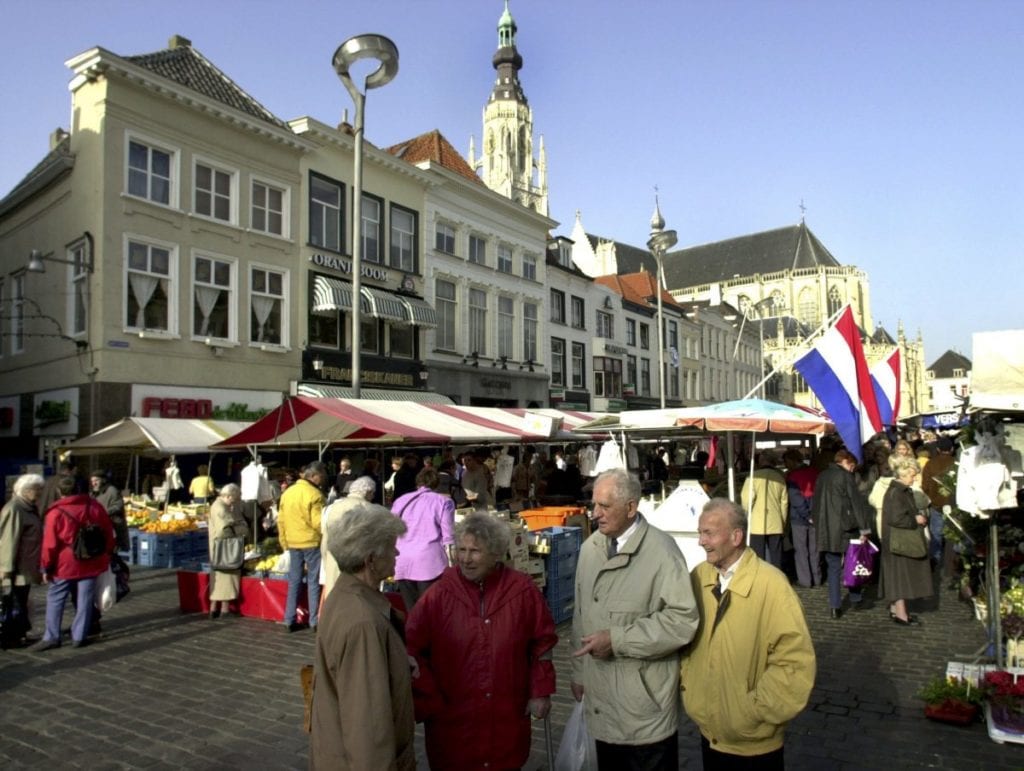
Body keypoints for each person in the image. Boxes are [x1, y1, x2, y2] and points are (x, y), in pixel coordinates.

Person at [406, 512, 557, 770]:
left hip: (506, 714)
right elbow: (411, 648)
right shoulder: (439, 594)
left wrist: (540, 691)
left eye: (475, 551)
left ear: (496, 553)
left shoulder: (522, 590)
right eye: (461, 549)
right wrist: (431, 699)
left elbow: (542, 644)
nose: (465, 559)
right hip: (453, 720)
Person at [571, 468, 699, 768]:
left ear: (631, 507)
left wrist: (617, 640)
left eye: (604, 506)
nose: (595, 513)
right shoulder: (590, 548)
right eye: (594, 504)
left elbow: (682, 621)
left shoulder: (662, 551)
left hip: (643, 709)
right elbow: (580, 614)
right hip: (602, 703)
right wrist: (578, 672)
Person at [682, 498, 816, 769]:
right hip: (709, 733)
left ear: (736, 536)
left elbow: (795, 664)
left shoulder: (773, 586)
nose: (700, 541)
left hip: (753, 744)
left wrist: (753, 711)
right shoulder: (698, 576)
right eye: (700, 533)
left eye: (709, 533)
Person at [310, 505, 414, 770]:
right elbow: (368, 725)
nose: (397, 552)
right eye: (392, 547)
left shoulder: (345, 594)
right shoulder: (363, 621)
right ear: (371, 559)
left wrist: (398, 662)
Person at [32, 475, 115, 650]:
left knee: (56, 598)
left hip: (65, 562)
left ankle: (52, 636)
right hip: (91, 560)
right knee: (85, 599)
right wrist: (106, 554)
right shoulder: (95, 506)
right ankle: (80, 636)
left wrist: (46, 566)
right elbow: (108, 532)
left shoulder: (55, 512)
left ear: (59, 491)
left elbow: (50, 544)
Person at [813, 449, 874, 619]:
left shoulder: (822, 475)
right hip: (846, 528)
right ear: (847, 462)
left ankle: (835, 606)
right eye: (852, 466)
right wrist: (865, 529)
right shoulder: (845, 477)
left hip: (826, 528)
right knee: (852, 563)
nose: (853, 470)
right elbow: (856, 504)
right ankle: (856, 598)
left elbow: (816, 502)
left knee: (833, 567)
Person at [391, 467, 456, 612]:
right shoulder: (444, 502)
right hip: (430, 563)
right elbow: (448, 535)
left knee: (412, 612)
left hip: (402, 560)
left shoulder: (400, 501)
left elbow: (391, 530)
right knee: (432, 612)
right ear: (436, 483)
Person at [880, 456, 933, 625]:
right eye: (912, 475)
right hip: (899, 540)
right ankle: (901, 614)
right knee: (900, 577)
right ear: (903, 475)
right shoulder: (898, 492)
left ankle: (896, 610)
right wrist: (915, 519)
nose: (915, 478)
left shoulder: (899, 490)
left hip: (896, 540)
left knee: (897, 576)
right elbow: (896, 518)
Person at [278, 461, 326, 632]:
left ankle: (289, 619)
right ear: (313, 476)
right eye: (321, 475)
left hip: (292, 542)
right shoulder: (314, 494)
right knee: (313, 581)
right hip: (311, 542)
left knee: (294, 581)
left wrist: (284, 541)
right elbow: (318, 522)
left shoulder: (288, 492)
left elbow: (281, 520)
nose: (323, 479)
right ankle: (314, 621)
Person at [0, 474, 45, 647]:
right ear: (26, 491)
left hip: (26, 565)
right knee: (14, 602)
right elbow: (9, 540)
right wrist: (6, 568)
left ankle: (20, 634)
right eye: (37, 489)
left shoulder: (28, 507)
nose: (41, 493)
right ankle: (11, 637)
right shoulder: (15, 509)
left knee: (21, 600)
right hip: (17, 567)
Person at [320, 475, 376, 597]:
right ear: (368, 492)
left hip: (333, 561)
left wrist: (325, 562)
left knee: (334, 601)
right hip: (355, 567)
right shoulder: (369, 510)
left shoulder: (331, 508)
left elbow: (324, 540)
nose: (373, 497)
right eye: (372, 494)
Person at [740, 451, 789, 569]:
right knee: (776, 555)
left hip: (757, 523)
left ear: (760, 461)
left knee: (758, 555)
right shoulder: (780, 477)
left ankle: (760, 580)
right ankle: (778, 579)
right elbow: (784, 503)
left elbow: (746, 500)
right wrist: (783, 522)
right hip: (776, 522)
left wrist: (747, 512)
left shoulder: (753, 476)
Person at [207, 483, 249, 619]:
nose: (235, 501)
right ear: (228, 496)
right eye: (234, 498)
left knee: (218, 578)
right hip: (225, 549)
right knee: (226, 577)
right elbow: (225, 530)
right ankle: (224, 610)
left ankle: (213, 609)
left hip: (217, 549)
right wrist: (241, 529)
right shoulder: (220, 508)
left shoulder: (218, 506)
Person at [783, 449, 821, 587]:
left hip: (799, 518)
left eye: (787, 462)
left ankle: (805, 580)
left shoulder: (793, 476)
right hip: (816, 516)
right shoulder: (815, 472)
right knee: (814, 550)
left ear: (792, 461)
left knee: (801, 551)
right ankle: (817, 578)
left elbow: (795, 498)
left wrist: (806, 514)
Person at [921, 436, 956, 566]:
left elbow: (925, 486)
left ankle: (935, 561)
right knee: (954, 535)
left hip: (936, 505)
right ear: (952, 449)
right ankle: (952, 562)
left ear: (937, 449)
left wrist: (933, 496)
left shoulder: (930, 464)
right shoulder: (957, 462)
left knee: (936, 534)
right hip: (955, 504)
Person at [90, 470, 129, 552]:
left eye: (96, 480)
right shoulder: (93, 494)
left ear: (103, 480)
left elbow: (118, 506)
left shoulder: (112, 490)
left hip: (114, 526)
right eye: (92, 481)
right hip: (100, 527)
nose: (94, 483)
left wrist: (103, 513)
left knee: (113, 554)